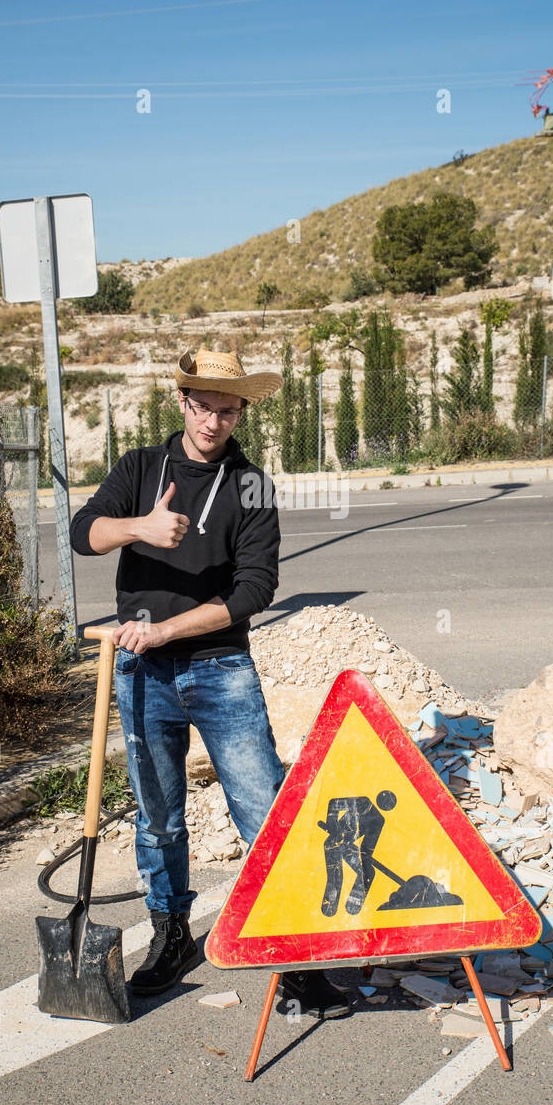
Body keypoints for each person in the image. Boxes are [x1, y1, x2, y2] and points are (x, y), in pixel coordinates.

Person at [69, 347, 352, 1020]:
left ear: (241, 411)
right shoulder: (140, 467)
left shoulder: (250, 484)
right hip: (140, 673)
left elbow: (256, 587)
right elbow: (85, 533)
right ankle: (170, 935)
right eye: (204, 406)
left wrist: (171, 630)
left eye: (229, 409)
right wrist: (139, 527)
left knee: (261, 812)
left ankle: (291, 953)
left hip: (220, 669)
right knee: (158, 819)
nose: (215, 421)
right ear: (183, 402)